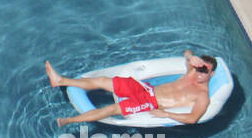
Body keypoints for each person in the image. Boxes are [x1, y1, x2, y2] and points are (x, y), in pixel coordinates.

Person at [46, 51, 217, 126]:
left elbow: (193, 118)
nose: (200, 73)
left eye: (205, 71)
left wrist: (166, 114)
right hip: (146, 89)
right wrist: (191, 56)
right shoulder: (191, 73)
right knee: (103, 80)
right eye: (200, 68)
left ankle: (68, 120)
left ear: (212, 73)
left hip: (150, 102)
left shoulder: (203, 96)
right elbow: (186, 53)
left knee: (112, 108)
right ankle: (60, 80)